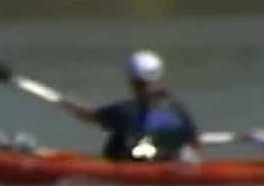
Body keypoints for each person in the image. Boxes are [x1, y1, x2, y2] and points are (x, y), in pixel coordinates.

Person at [59, 50, 201, 163]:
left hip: (132, 165)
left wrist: (69, 104)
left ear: (132, 80)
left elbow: (90, 116)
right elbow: (195, 141)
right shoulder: (176, 107)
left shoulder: (124, 111)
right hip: (169, 162)